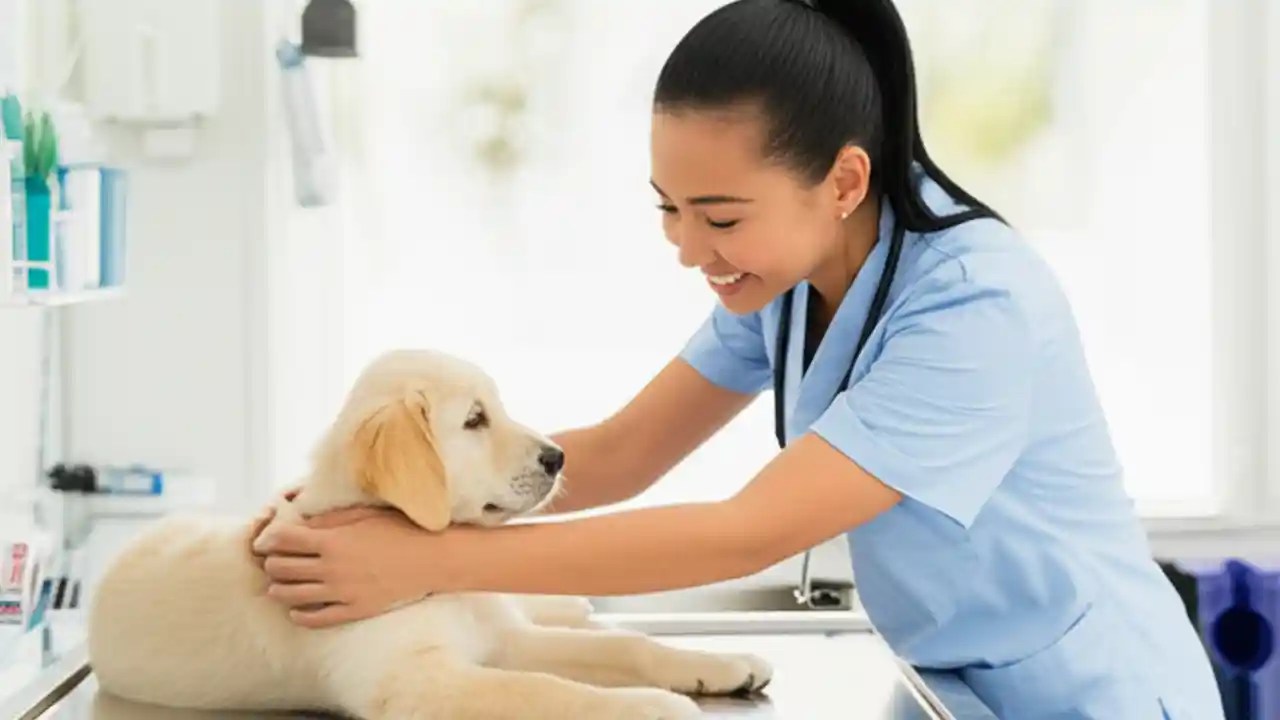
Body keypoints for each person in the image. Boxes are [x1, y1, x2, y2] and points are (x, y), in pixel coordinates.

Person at [251, 1, 1226, 717]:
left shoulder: (977, 306)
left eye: (718, 216)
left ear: (842, 180)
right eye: (668, 210)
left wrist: (424, 562)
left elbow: (741, 533)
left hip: (1096, 695)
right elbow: (619, 455)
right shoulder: (784, 280)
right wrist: (361, 507)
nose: (688, 248)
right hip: (948, 686)